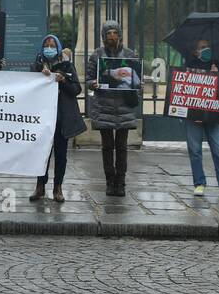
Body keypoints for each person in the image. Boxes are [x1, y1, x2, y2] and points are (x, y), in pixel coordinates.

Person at [85, 20, 139, 197]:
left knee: (122, 147)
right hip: (104, 107)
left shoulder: (130, 54)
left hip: (124, 107)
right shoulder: (96, 55)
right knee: (107, 147)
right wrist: (93, 83)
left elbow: (136, 79)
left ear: (120, 35)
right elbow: (88, 79)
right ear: (103, 36)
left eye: (115, 33)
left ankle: (121, 182)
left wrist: (138, 82)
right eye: (108, 34)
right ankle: (110, 182)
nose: (112, 37)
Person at [181, 37, 219, 199]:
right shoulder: (188, 65)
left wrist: (217, 75)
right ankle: (199, 183)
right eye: (202, 47)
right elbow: (183, 89)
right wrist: (194, 112)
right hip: (194, 116)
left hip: (215, 116)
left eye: (208, 47)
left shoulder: (216, 64)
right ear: (195, 51)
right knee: (195, 150)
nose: (206, 50)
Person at [29, 34, 83, 203]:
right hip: (43, 118)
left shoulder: (67, 65)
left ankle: (58, 188)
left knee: (61, 155)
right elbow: (28, 87)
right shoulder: (37, 65)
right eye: (47, 45)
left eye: (53, 45)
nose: (50, 48)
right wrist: (40, 76)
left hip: (61, 118)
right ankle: (40, 186)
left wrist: (63, 80)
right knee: (42, 153)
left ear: (58, 48)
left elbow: (77, 89)